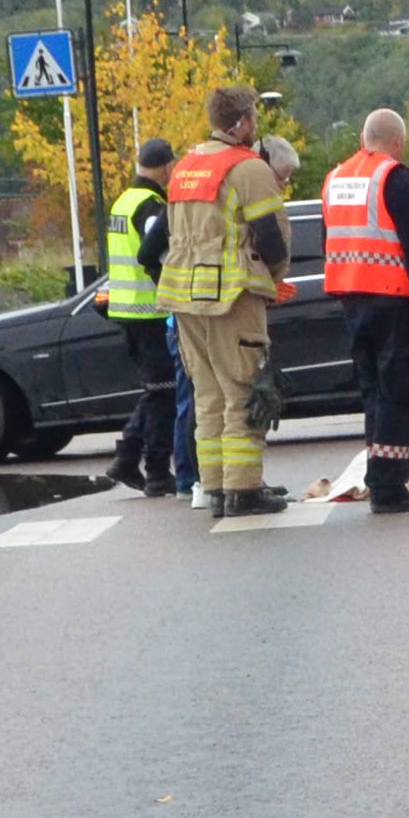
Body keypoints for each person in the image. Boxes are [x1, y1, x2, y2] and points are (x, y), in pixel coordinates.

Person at [159, 87, 292, 518]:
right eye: (253, 117)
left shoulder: (186, 167)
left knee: (208, 394)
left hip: (184, 294)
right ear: (243, 123)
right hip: (231, 293)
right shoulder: (248, 168)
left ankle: (215, 486)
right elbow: (270, 235)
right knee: (246, 391)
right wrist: (270, 279)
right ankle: (244, 490)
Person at [322, 106, 409, 514]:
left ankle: (379, 477)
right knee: (400, 392)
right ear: (398, 142)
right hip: (393, 299)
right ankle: (390, 487)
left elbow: (329, 237)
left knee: (374, 394)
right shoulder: (395, 177)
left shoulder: (336, 178)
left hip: (351, 299)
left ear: (364, 139)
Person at [102, 137, 179, 499]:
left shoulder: (122, 201)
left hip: (126, 311)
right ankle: (156, 470)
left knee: (156, 390)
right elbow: (156, 255)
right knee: (163, 393)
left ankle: (130, 456)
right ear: (165, 168)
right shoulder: (151, 206)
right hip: (151, 312)